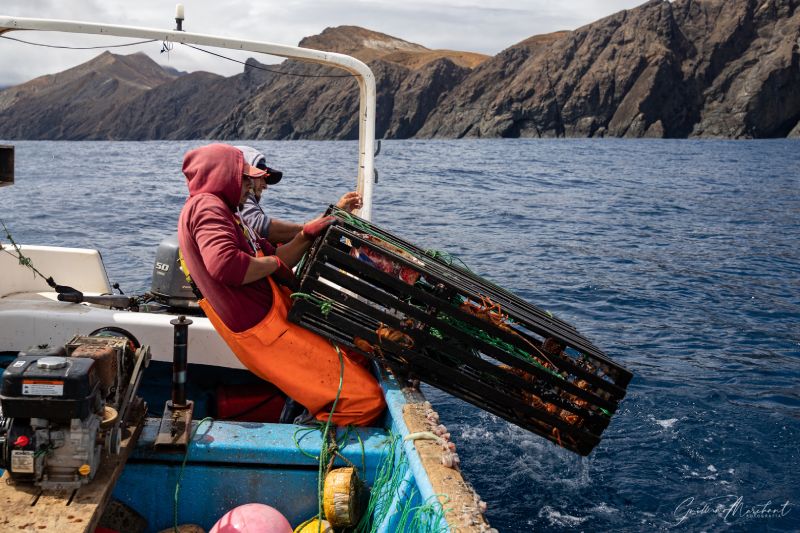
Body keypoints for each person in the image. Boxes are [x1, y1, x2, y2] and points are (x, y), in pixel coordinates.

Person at [177, 143, 385, 426]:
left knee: (356, 358)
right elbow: (226, 266)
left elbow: (275, 256)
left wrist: (306, 235)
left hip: (276, 317)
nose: (251, 186)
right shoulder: (207, 207)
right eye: (244, 178)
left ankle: (305, 409)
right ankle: (314, 446)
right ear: (222, 175)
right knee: (365, 401)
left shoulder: (229, 213)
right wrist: (274, 265)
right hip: (264, 331)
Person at [235, 145, 361, 244]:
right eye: (261, 177)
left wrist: (333, 215)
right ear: (244, 175)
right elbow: (261, 227)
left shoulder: (241, 202)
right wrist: (313, 227)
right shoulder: (237, 200)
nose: (265, 186)